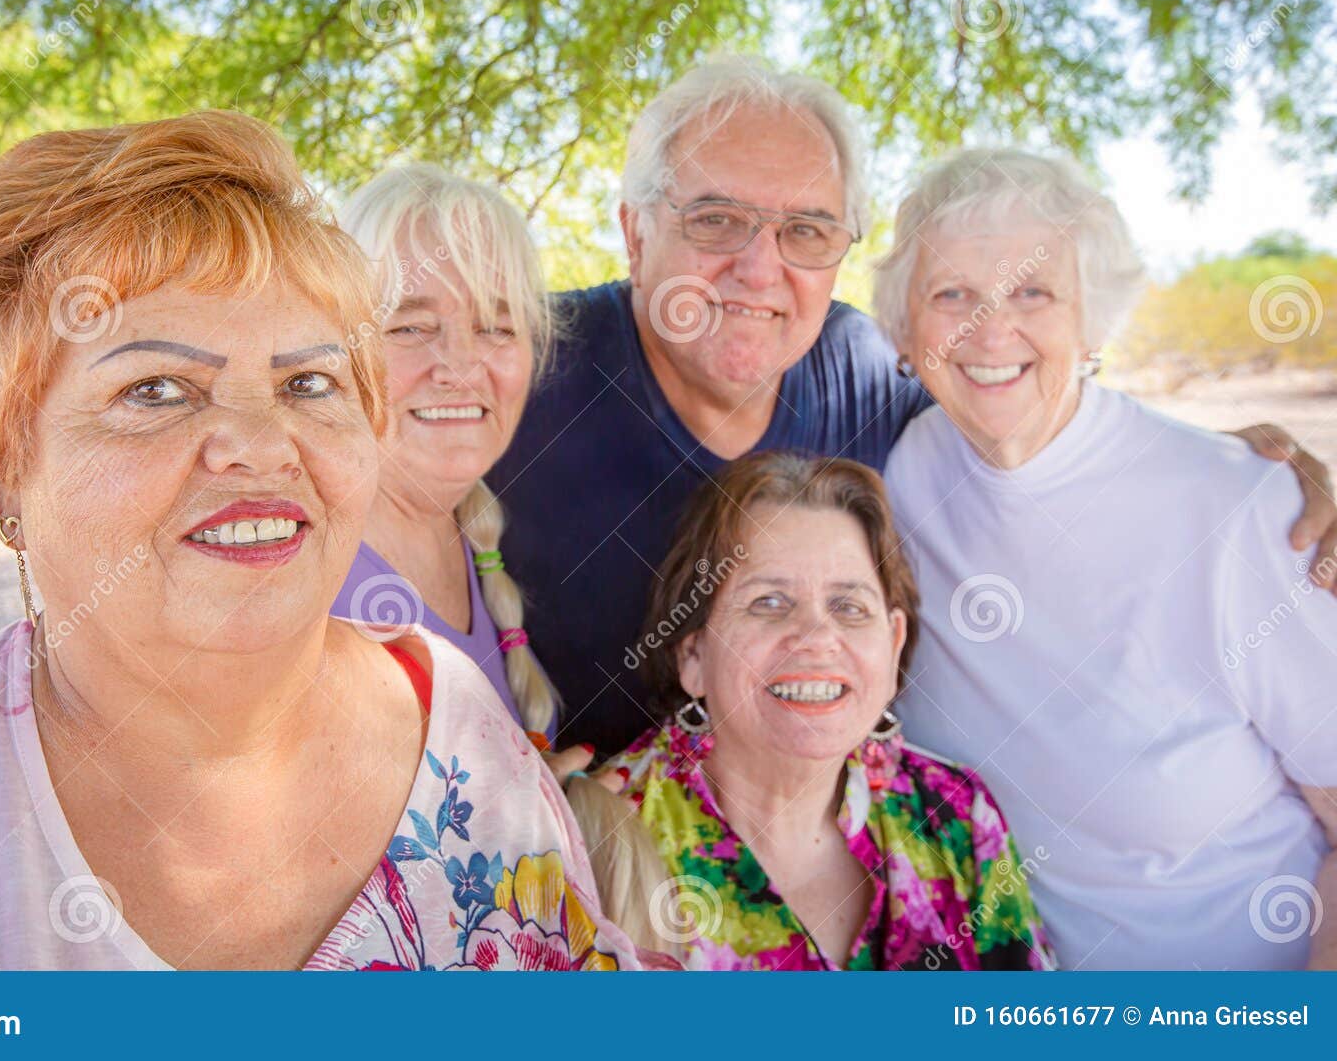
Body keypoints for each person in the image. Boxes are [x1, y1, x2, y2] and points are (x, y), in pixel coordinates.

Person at [0, 112, 636, 972]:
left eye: (308, 382)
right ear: (5, 474)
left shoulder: (462, 722)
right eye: (156, 389)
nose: (261, 443)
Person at [485, 55, 1337, 757]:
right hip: (568, 869)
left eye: (806, 231)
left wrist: (1235, 470)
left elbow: (1021, 390)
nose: (759, 268)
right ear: (636, 234)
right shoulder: (528, 371)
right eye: (715, 220)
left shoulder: (864, 376)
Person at [874, 146, 1337, 970]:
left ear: (1091, 322)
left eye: (1032, 291)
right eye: (952, 294)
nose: (990, 329)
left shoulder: (1244, 509)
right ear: (905, 330)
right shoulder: (901, 474)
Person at [570, 452, 1052, 970]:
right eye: (769, 602)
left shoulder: (954, 816)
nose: (818, 638)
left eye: (849, 607)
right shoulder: (594, 840)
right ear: (693, 656)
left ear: (892, 645)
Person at [332, 165, 563, 748]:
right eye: (410, 327)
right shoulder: (309, 584)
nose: (459, 368)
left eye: (496, 328)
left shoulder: (477, 540)